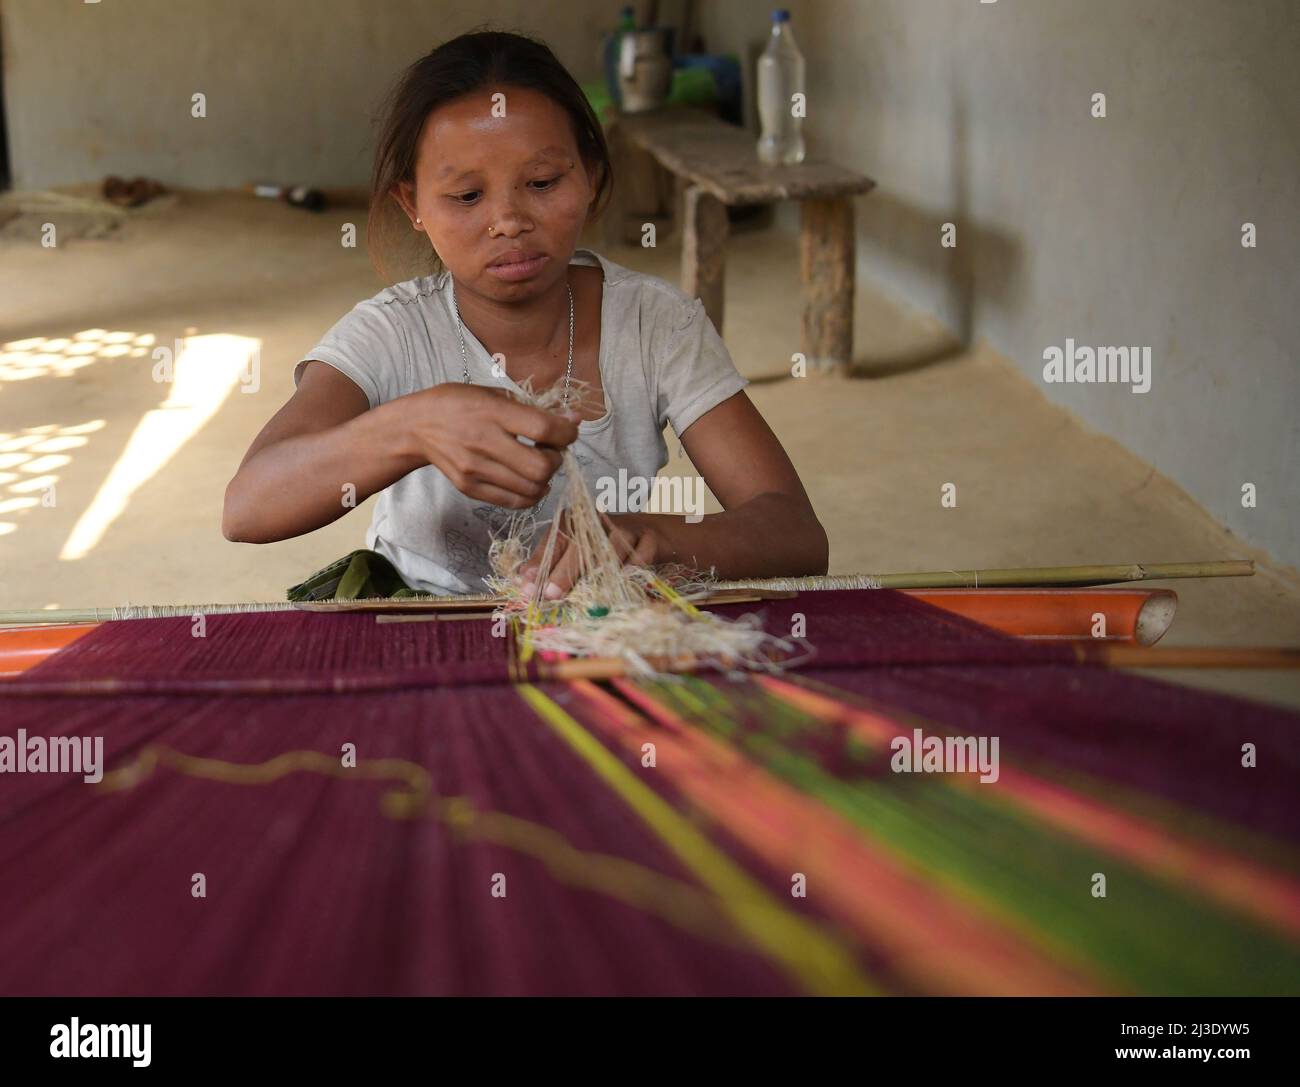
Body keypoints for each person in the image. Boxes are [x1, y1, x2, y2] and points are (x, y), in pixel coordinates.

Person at [224, 30, 828, 598]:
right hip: (423, 620)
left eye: (542, 182)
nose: (509, 220)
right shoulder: (392, 334)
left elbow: (795, 534)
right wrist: (412, 428)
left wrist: (659, 540)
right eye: (466, 196)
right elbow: (248, 507)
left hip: (591, 625)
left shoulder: (654, 325)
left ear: (590, 175)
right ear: (413, 205)